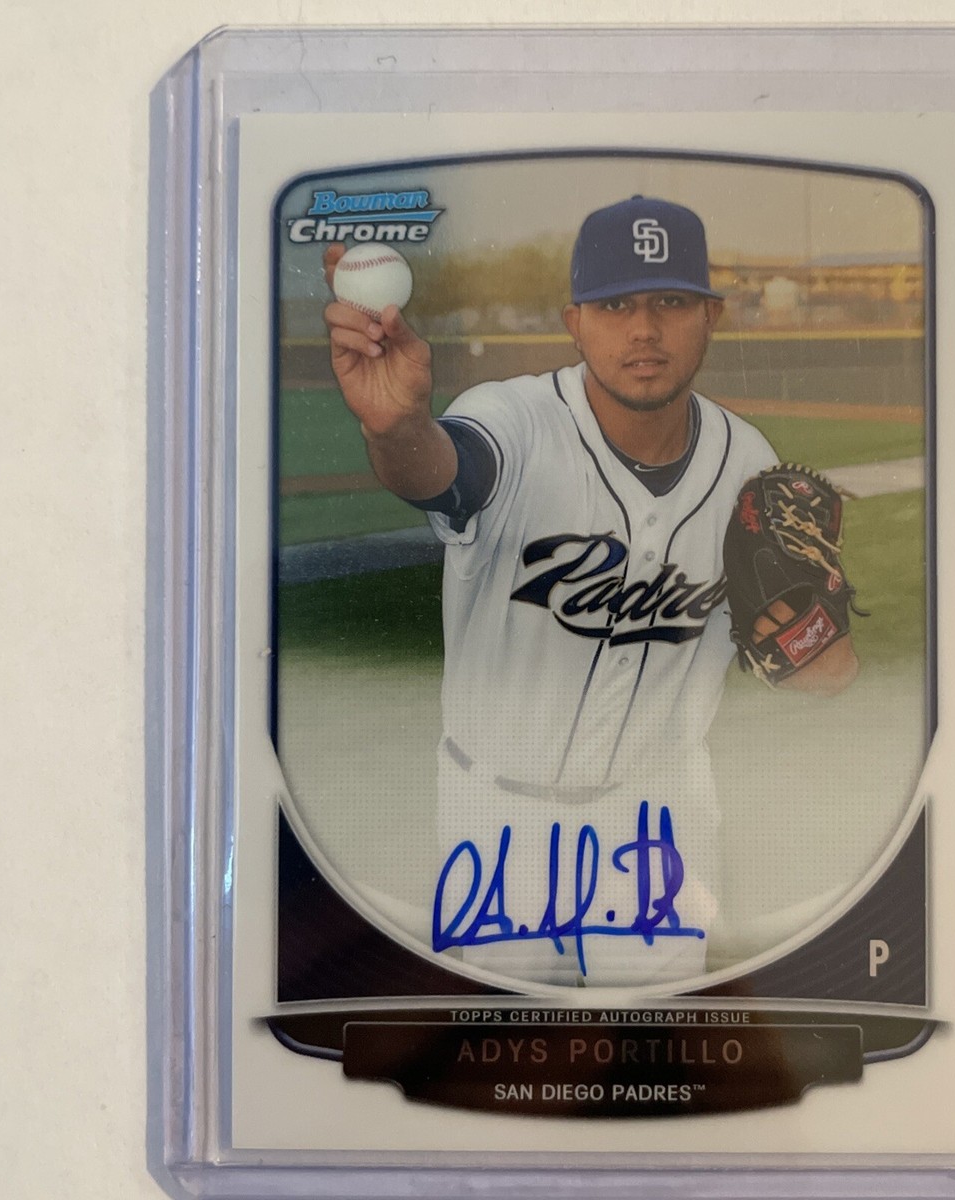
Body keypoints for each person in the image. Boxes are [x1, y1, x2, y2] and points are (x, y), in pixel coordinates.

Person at [323, 196, 857, 988]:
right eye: (615, 306)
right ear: (574, 321)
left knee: (655, 1045)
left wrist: (810, 627)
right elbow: (444, 470)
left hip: (660, 820)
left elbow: (826, 674)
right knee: (498, 1042)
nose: (643, 330)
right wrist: (394, 428)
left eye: (670, 302)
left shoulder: (749, 465)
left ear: (711, 316)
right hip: (496, 817)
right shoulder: (513, 420)